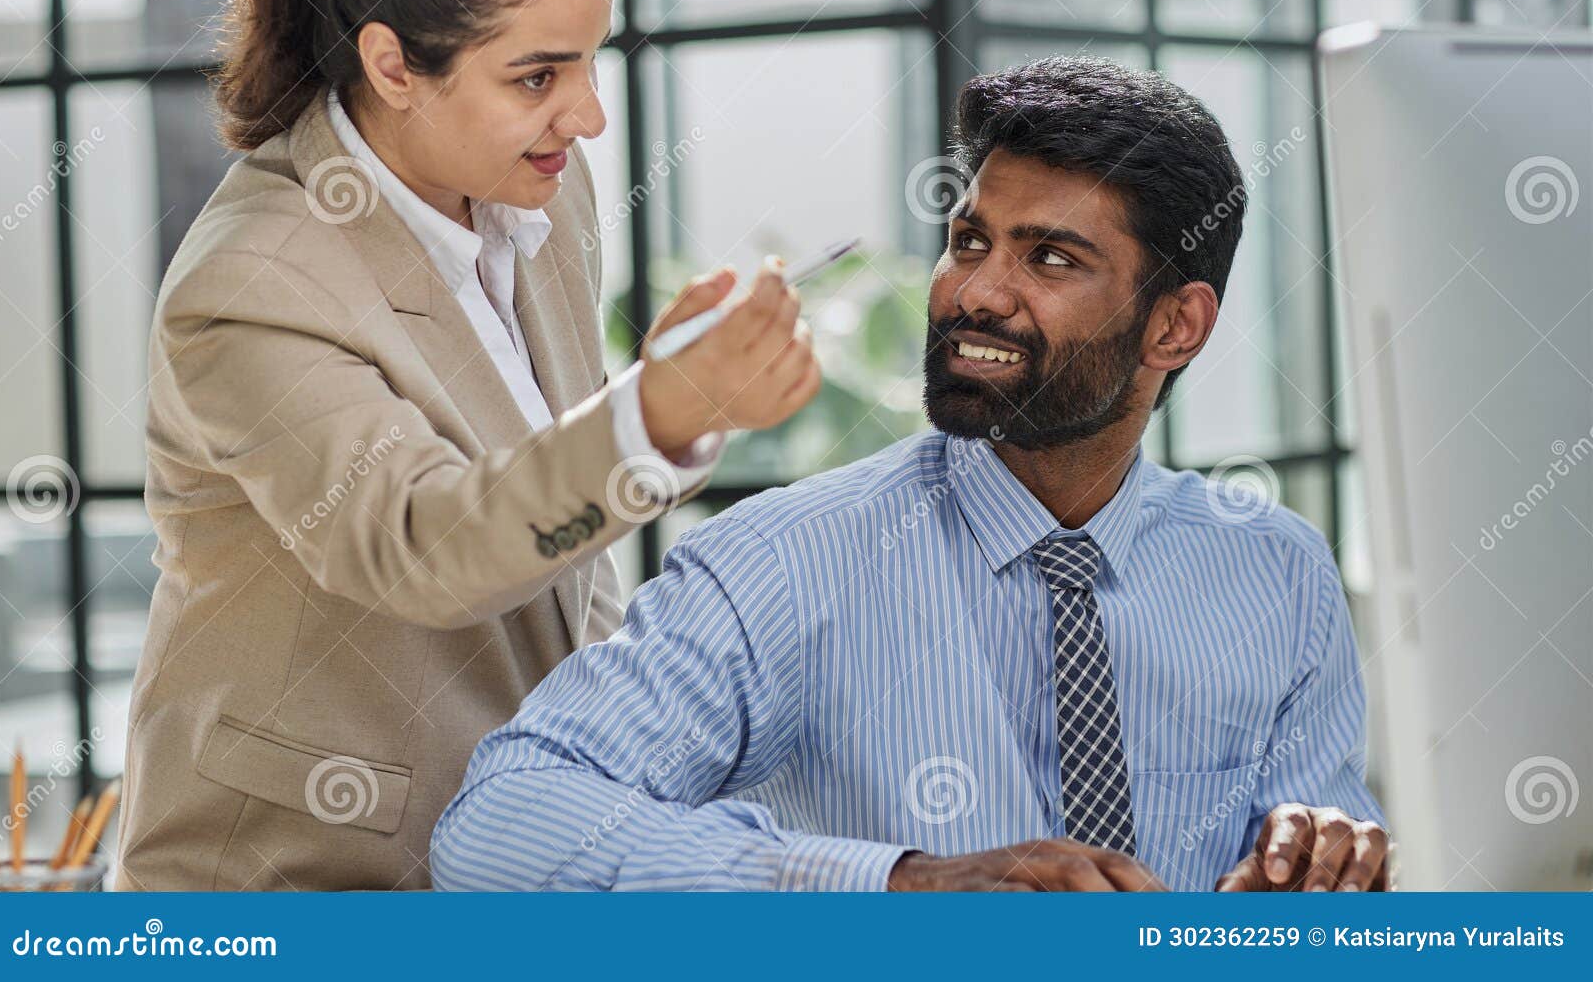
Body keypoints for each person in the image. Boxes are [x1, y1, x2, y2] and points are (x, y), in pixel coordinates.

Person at [431, 56, 1390, 893]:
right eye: (970, 242)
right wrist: (902, 885)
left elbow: (1312, 865)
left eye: (1049, 258)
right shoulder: (784, 562)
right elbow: (500, 831)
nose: (976, 292)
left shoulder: (1277, 572)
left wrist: (1324, 869)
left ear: (1176, 325)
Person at [115, 0, 819, 891]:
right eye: (537, 76)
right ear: (393, 66)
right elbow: (421, 543)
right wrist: (659, 412)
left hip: (510, 854)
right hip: (300, 880)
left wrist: (660, 392)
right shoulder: (250, 286)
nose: (586, 117)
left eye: (589, 61)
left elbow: (543, 519)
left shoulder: (534, 188)